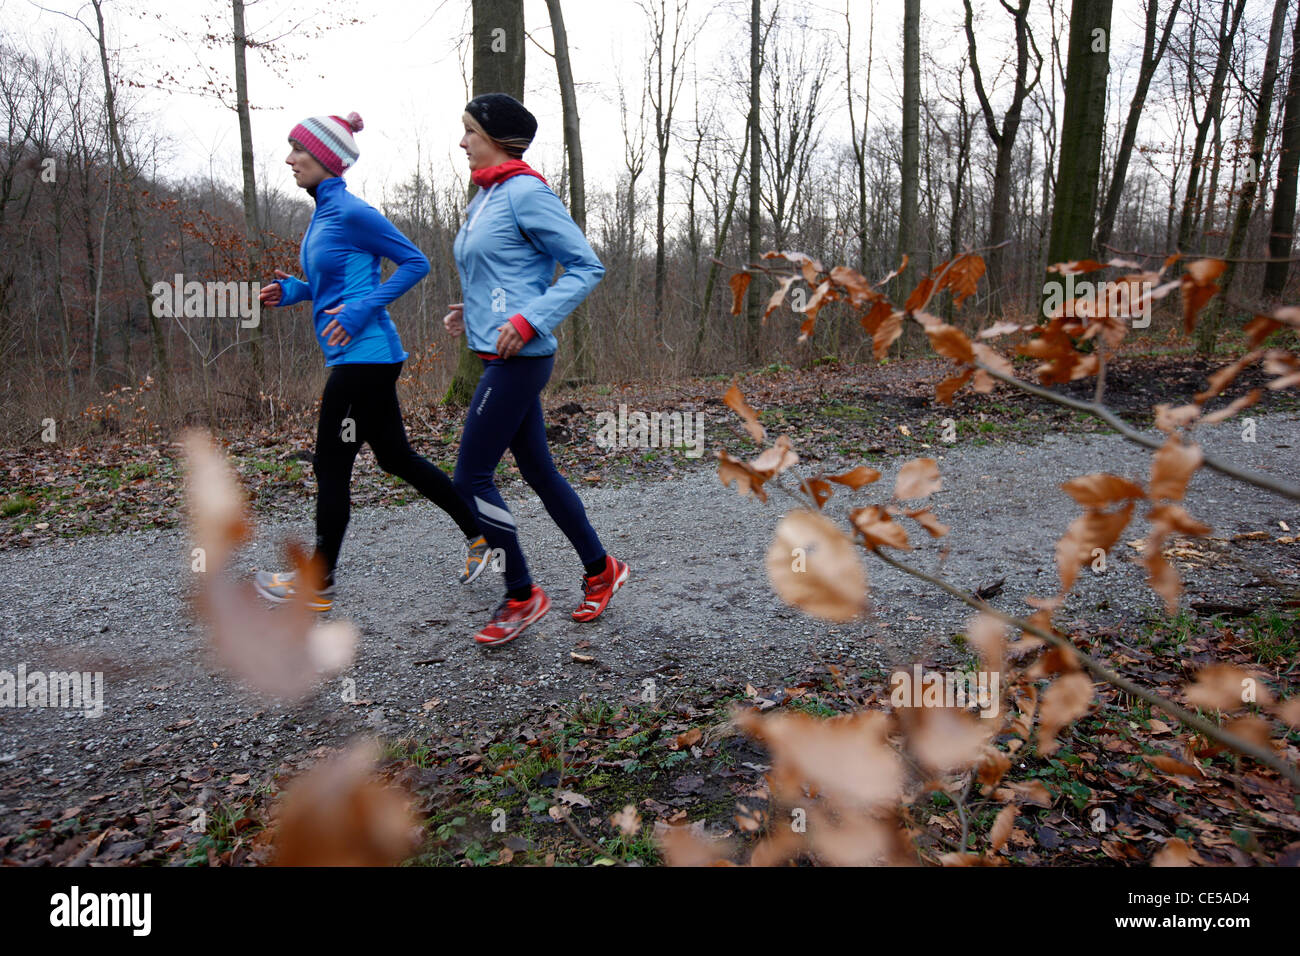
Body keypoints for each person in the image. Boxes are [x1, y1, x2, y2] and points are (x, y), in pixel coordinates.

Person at [254, 111, 490, 612]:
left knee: (332, 465)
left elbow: (415, 262)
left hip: (365, 358)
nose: (289, 158)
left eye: (299, 150)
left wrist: (363, 308)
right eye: (292, 149)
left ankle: (318, 582)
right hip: (360, 357)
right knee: (394, 458)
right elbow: (333, 284)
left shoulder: (352, 212)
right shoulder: (321, 213)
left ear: (326, 160)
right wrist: (294, 291)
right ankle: (480, 534)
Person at [444, 93, 628, 647]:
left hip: (521, 359)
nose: (462, 142)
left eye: (470, 131)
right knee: (539, 473)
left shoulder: (526, 194)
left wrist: (527, 319)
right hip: (498, 353)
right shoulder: (486, 197)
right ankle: (602, 569)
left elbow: (585, 266)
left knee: (469, 477)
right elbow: (500, 271)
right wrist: (473, 309)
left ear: (498, 139)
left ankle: (522, 594)